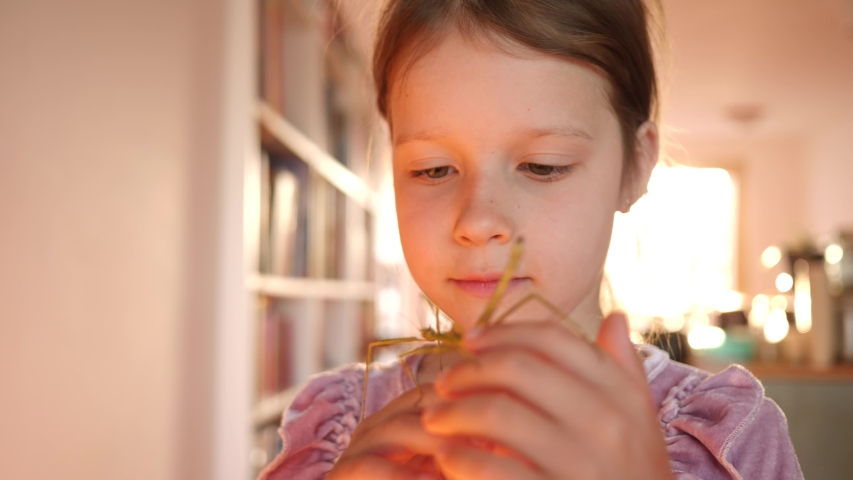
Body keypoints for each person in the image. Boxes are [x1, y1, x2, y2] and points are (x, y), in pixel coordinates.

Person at [259, 1, 803, 479]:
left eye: (544, 166)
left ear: (635, 166)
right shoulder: (335, 425)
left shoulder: (723, 439)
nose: (478, 221)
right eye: (432, 170)